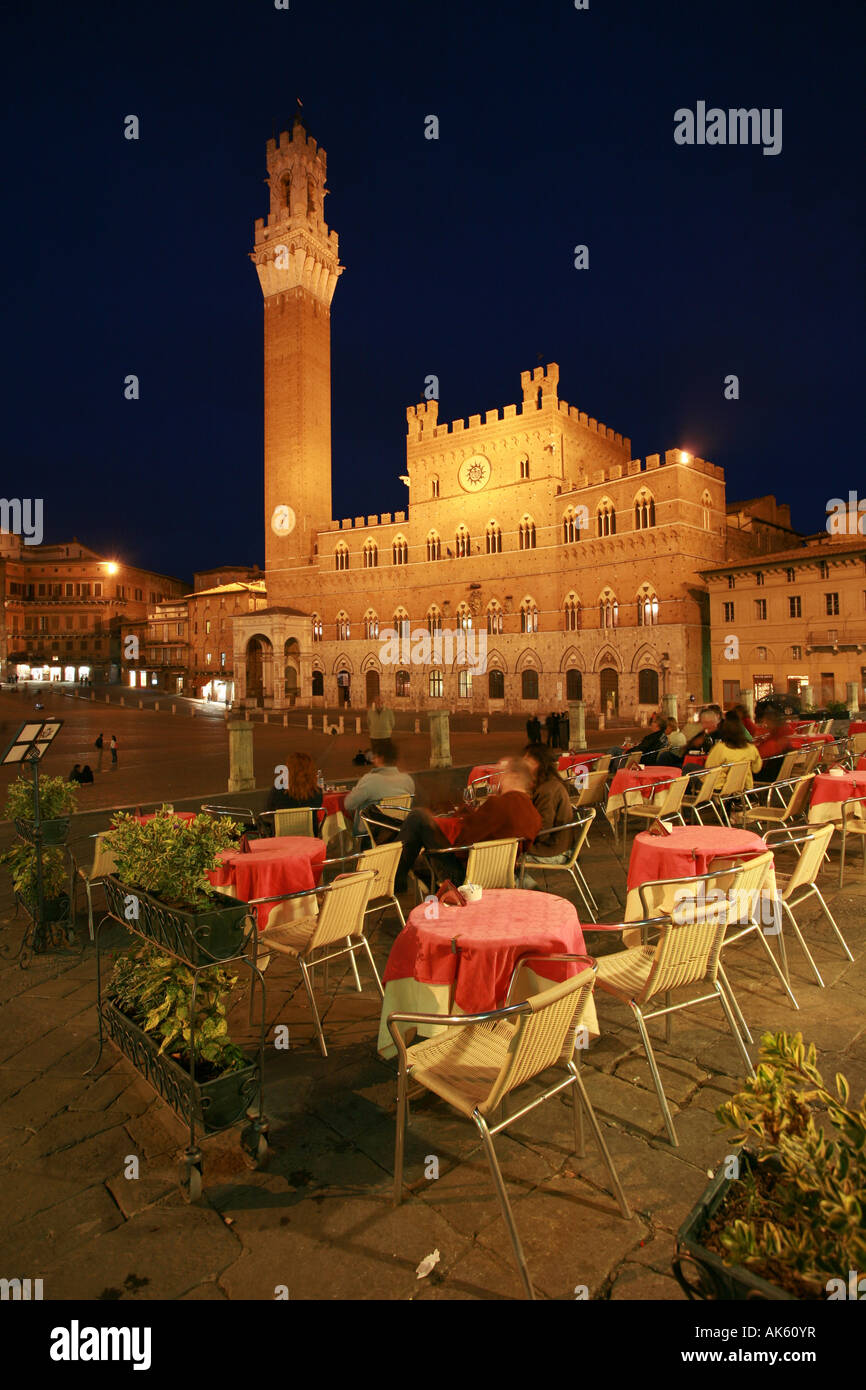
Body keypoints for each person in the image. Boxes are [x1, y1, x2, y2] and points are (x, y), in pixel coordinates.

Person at [394, 758, 541, 893]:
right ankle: (410, 880)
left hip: (469, 877)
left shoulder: (499, 804)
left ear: (514, 776)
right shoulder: (534, 815)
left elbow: (464, 839)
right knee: (421, 835)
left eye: (504, 774)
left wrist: (462, 816)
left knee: (418, 818)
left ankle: (396, 878)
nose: (499, 778)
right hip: (502, 877)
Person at [521, 744, 574, 888]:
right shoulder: (549, 783)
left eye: (528, 761)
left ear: (539, 763)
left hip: (554, 850)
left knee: (502, 858)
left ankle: (532, 890)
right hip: (560, 844)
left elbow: (542, 830)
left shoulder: (548, 790)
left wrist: (518, 841)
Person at [343, 739, 415, 835]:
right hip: (398, 831)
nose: (373, 759)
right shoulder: (407, 780)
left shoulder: (370, 780)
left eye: (375, 756)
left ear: (380, 758)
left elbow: (349, 804)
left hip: (371, 833)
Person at [704, 714, 763, 790]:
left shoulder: (720, 748)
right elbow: (756, 769)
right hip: (744, 788)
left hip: (720, 788)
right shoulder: (751, 748)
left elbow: (709, 769)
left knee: (689, 768)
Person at [266, 752, 324, 826]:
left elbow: (270, 808)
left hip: (282, 834)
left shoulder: (277, 790)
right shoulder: (317, 792)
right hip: (310, 834)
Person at [656, 706, 722, 766]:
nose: (704, 725)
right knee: (665, 756)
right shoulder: (701, 733)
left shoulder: (718, 735)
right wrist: (690, 744)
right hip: (685, 758)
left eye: (707, 722)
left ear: (714, 722)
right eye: (703, 722)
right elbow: (688, 747)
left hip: (698, 763)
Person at [753, 708, 794, 783]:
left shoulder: (774, 742)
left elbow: (757, 756)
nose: (764, 723)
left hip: (767, 776)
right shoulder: (783, 734)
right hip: (778, 774)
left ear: (771, 721)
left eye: (765, 720)